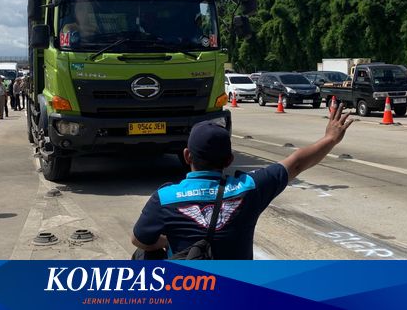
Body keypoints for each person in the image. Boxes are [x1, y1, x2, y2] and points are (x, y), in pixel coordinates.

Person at [131, 104, 355, 259]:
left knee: (143, 256)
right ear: (229, 160)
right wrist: (330, 138)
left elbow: (139, 239)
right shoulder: (250, 188)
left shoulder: (165, 197)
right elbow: (295, 163)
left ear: (188, 155)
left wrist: (167, 243)